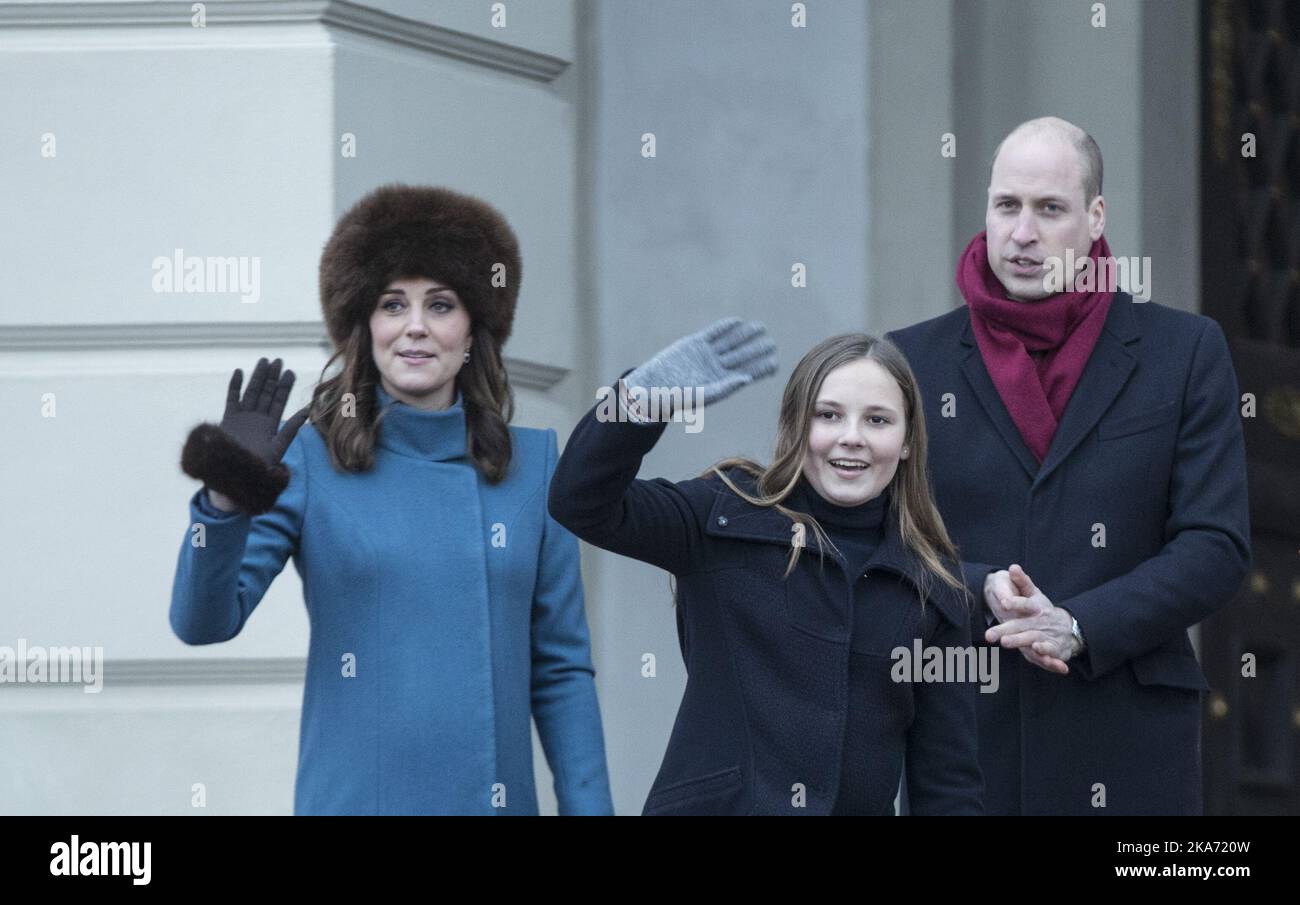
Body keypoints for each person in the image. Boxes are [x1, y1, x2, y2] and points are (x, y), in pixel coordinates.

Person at [170, 184, 614, 815]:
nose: (415, 327)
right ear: (365, 327)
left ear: (472, 332)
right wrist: (226, 496)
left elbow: (561, 670)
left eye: (441, 305)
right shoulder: (309, 460)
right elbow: (202, 623)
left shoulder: (534, 465)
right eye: (391, 304)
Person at [886, 117, 1251, 814]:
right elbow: (879, 539)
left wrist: (1079, 624)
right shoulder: (911, 361)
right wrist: (978, 586)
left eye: (1049, 208)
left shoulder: (1185, 350)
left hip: (1130, 744)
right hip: (965, 744)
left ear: (1095, 217)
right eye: (1006, 206)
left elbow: (1217, 545)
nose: (1022, 233)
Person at [548, 319, 984, 815]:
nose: (852, 438)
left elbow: (947, 786)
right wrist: (636, 403)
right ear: (798, 426)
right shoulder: (725, 514)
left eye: (878, 421)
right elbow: (579, 502)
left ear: (907, 442)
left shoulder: (934, 589)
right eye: (829, 415)